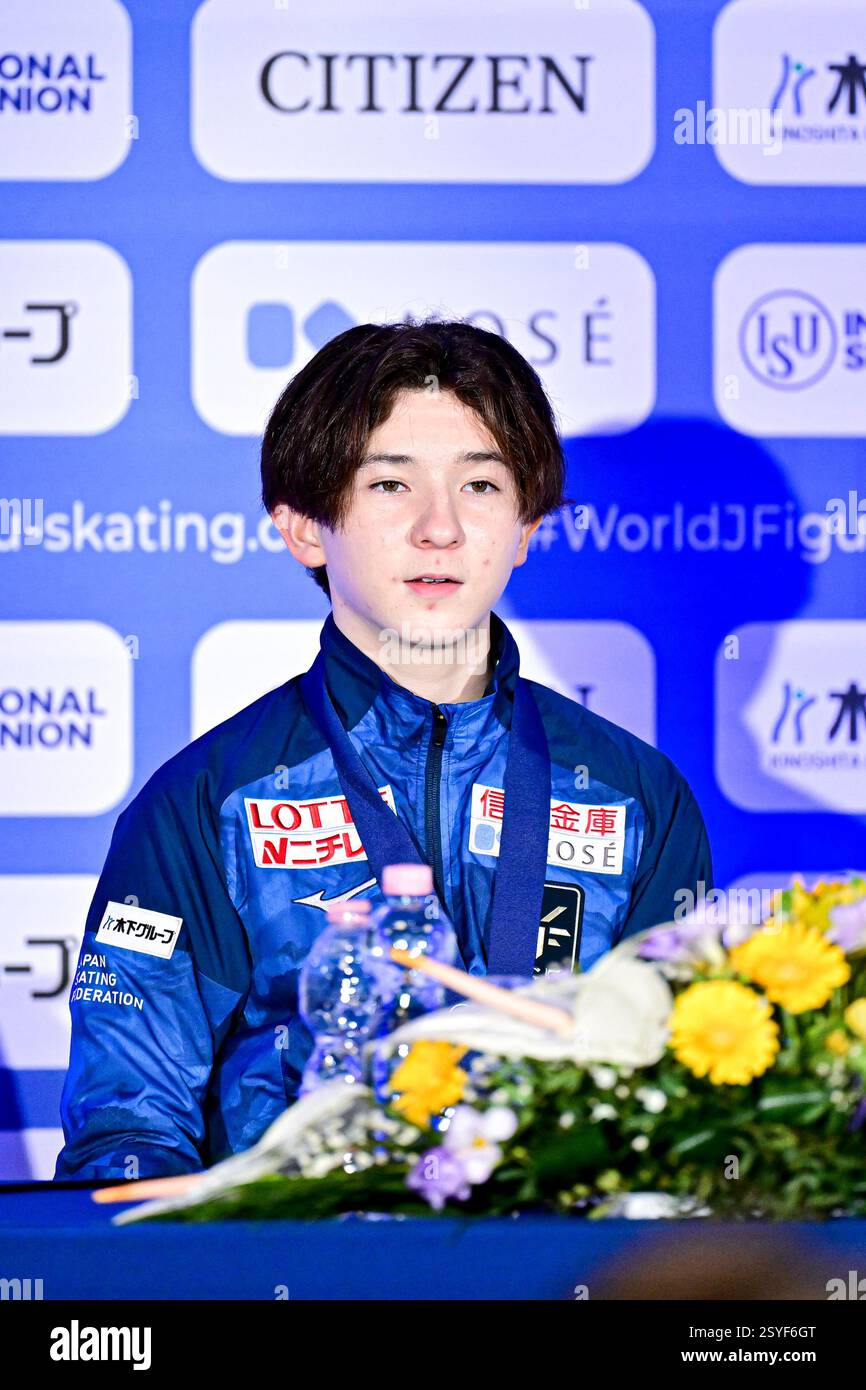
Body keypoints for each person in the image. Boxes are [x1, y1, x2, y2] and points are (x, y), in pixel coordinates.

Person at [54, 318, 713, 1181]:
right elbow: (127, 1131)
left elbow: (693, 1107)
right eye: (391, 486)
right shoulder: (206, 800)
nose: (440, 529)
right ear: (302, 528)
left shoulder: (635, 795)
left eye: (480, 486)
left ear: (524, 529)